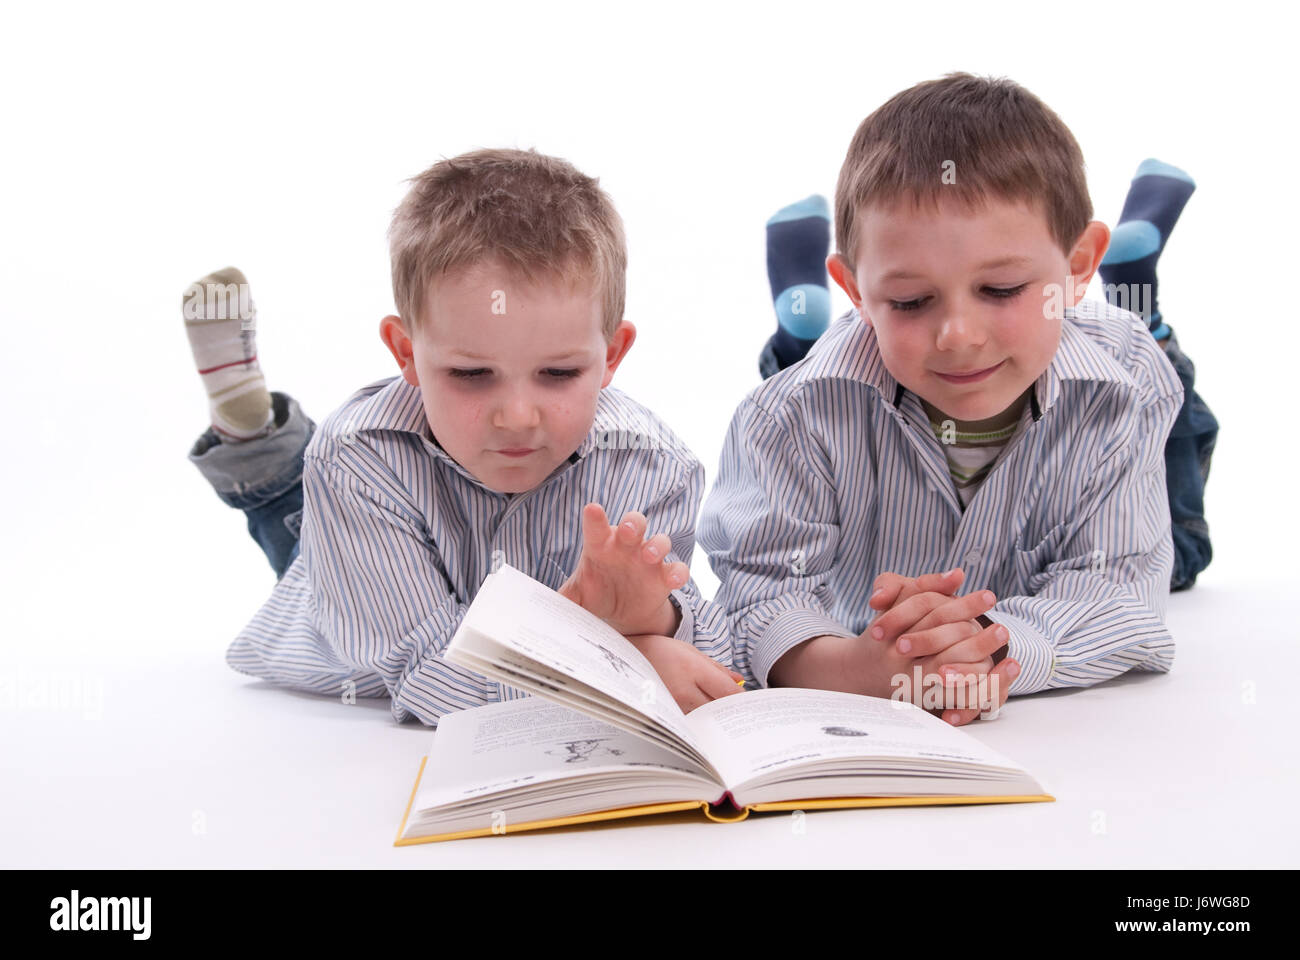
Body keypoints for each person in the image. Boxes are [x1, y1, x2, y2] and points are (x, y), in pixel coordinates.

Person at [182, 148, 743, 724]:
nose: (518, 418)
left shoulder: (655, 466)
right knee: (292, 528)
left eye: (559, 374)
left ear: (612, 356)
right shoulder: (356, 464)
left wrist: (657, 620)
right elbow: (429, 675)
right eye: (472, 375)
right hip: (345, 607)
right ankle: (251, 430)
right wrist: (625, 668)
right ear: (407, 353)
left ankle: (256, 428)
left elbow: (716, 654)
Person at [701, 72, 1185, 725]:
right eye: (910, 300)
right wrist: (854, 672)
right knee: (811, 373)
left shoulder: (1125, 384)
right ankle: (803, 326)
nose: (958, 336)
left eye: (1002, 289)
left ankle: (1136, 285)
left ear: (1076, 269)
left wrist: (990, 652)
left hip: (1121, 362)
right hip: (850, 378)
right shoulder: (788, 418)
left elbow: (1120, 592)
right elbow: (759, 598)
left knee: (1186, 539)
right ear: (855, 288)